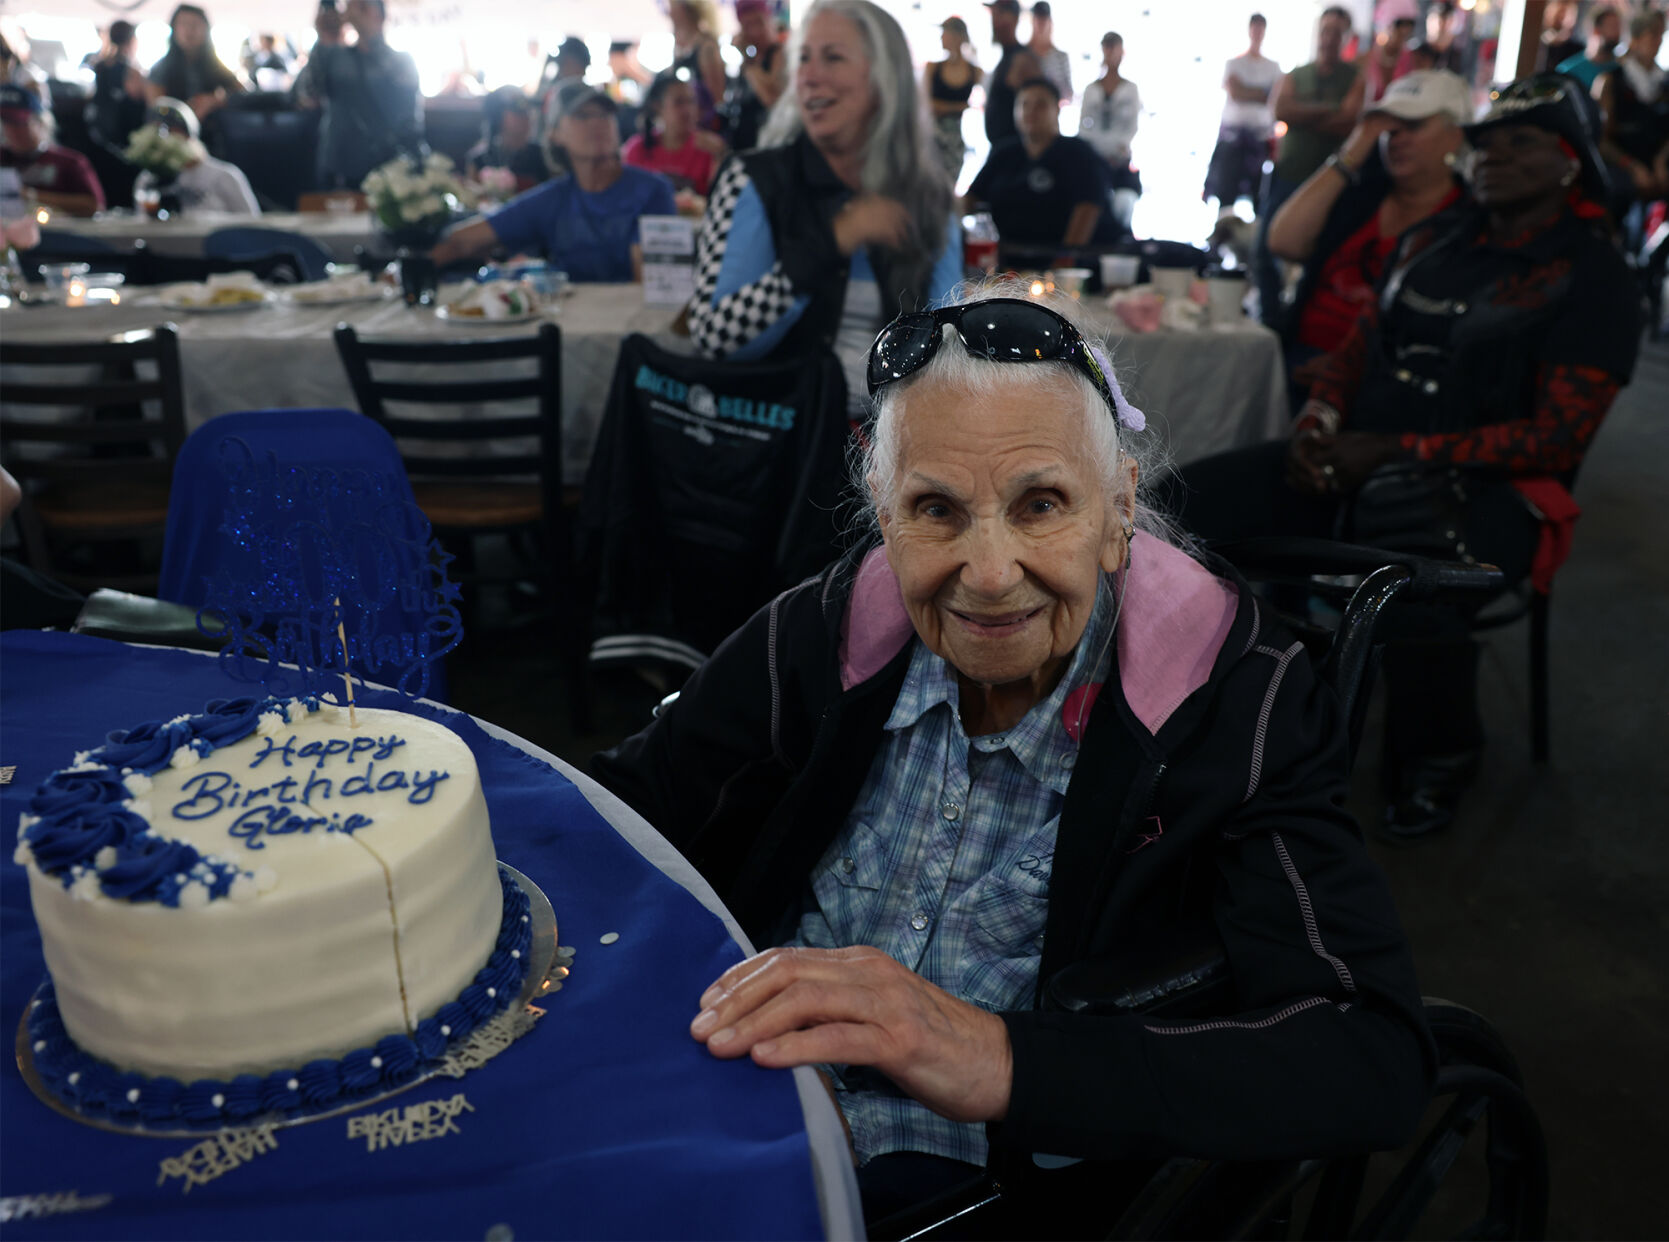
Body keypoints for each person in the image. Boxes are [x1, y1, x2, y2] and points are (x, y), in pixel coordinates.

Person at [593, 276, 1433, 1218]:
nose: (989, 578)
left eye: (1041, 505)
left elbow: (1368, 1052)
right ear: (884, 515)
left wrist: (989, 1054)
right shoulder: (824, 633)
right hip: (738, 1086)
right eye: (936, 510)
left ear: (1119, 510)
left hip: (992, 1179)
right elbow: (622, 809)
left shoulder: (1237, 702)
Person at [1173, 76, 1641, 839]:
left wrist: (1394, 450)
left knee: (1414, 576)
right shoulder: (1432, 243)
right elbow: (1355, 353)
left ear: (1567, 163)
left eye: (1519, 142)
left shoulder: (1592, 277)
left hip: (1487, 494)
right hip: (1357, 458)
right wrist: (1319, 422)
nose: (1492, 155)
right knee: (1179, 505)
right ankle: (1211, 705)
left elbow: (1557, 439)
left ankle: (1439, 756)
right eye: (1485, 141)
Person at [687, 0, 961, 420]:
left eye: (833, 57)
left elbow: (946, 344)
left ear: (883, 80)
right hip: (779, 446)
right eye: (803, 59)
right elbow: (715, 336)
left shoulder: (927, 195)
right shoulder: (753, 179)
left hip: (894, 446)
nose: (809, 76)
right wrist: (835, 240)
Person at [1269, 69, 1468, 396]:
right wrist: (1356, 146)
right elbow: (1283, 241)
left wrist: (1350, 369)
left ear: (1455, 135)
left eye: (1413, 125)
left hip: (1384, 388)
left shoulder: (1465, 221)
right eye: (1388, 129)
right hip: (1297, 360)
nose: (1396, 138)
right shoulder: (1362, 195)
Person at [432, 82, 675, 283]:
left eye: (605, 114)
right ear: (554, 133)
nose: (598, 122)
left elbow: (653, 284)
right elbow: (462, 242)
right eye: (582, 116)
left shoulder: (652, 191)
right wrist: (412, 263)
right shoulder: (553, 199)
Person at [1255, 6, 1364, 330]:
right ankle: (1270, 320)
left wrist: (1302, 113)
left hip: (1326, 182)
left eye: (1337, 31)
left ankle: (1298, 322)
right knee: (1263, 251)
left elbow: (1348, 121)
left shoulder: (1354, 78)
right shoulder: (1296, 73)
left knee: (1319, 257)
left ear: (1346, 37)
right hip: (1288, 172)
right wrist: (1328, 111)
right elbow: (1280, 108)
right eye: (1325, 29)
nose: (1329, 37)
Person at [968, 78, 1117, 248]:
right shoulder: (1004, 152)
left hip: (1060, 261)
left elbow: (1089, 207)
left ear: (1057, 110)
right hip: (1006, 263)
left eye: (1041, 105)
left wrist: (1063, 262)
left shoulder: (1078, 153)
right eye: (1024, 104)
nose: (1031, 112)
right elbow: (972, 198)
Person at [293, 0, 423, 191]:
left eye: (363, 7)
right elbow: (306, 96)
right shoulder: (334, 58)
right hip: (340, 166)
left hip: (393, 167)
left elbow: (404, 91)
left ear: (380, 16)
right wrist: (324, 41)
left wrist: (371, 37)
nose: (356, 13)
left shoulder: (402, 61)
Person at [1204, 13, 1281, 212]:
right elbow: (1236, 92)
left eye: (1260, 28)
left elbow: (1275, 96)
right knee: (1226, 191)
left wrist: (1248, 90)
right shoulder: (1234, 64)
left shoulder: (1273, 67)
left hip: (1260, 140)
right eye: (1254, 28)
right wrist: (1263, 91)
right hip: (1233, 139)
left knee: (1259, 195)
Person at [1593, 10, 1667, 208]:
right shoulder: (1611, 80)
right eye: (1652, 34)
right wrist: (1632, 167)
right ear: (1635, 39)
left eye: (1661, 34)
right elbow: (1600, 138)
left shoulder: (1664, 83)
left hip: (1659, 164)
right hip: (1621, 165)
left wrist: (1662, 161)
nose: (1658, 41)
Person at [0, 85, 106, 217]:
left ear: (40, 122)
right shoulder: (2, 156)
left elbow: (95, 205)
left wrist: (32, 195)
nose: (11, 130)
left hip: (56, 233)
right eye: (5, 122)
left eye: (19, 123)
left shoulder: (69, 162)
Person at [148, 96, 259, 214]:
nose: (166, 141)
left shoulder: (224, 176)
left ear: (189, 136)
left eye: (174, 132)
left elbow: (251, 222)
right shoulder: (148, 180)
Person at [1078, 32, 1141, 231]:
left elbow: (1131, 127)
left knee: (1123, 205)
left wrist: (1116, 150)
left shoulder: (1130, 89)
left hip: (1120, 162)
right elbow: (1084, 127)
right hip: (1094, 162)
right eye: (1107, 47)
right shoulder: (1091, 89)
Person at [623, 71, 721, 195]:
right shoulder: (636, 149)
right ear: (658, 107)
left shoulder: (710, 148)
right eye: (679, 102)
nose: (687, 110)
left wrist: (721, 157)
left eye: (691, 101)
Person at [147, 5, 245, 121]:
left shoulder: (214, 65)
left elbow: (242, 94)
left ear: (205, 30)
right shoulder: (160, 69)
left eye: (195, 24)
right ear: (174, 28)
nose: (189, 30)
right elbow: (157, 109)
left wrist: (214, 100)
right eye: (183, 24)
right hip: (174, 134)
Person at [924, 16, 982, 187]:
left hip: (956, 140)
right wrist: (958, 107)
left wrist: (945, 107)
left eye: (945, 33)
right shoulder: (933, 67)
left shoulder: (974, 71)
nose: (942, 37)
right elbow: (926, 105)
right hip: (932, 136)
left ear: (956, 36)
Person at [725, 0, 787, 151]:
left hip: (770, 146)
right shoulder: (748, 64)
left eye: (759, 23)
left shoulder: (777, 53)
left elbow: (771, 99)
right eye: (748, 26)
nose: (755, 32)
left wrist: (749, 62)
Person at [983, 0, 1042, 148]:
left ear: (1014, 18)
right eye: (993, 15)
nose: (994, 21)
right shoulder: (1006, 56)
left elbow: (1037, 111)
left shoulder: (1022, 59)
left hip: (1014, 152)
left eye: (1000, 14)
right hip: (1002, 149)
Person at [466, 87, 548, 193]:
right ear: (497, 116)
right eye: (518, 111)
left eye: (528, 110)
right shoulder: (480, 160)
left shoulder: (544, 156)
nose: (527, 116)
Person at [669, 1, 727, 134]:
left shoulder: (706, 46)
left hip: (704, 129)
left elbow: (717, 96)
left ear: (684, 10)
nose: (670, 14)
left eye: (672, 8)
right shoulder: (680, 47)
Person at [1360, 0, 1418, 104]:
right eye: (1399, 24)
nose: (1404, 30)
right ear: (1386, 24)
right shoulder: (1366, 59)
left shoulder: (1413, 59)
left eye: (1410, 24)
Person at [1555, 5, 1621, 89]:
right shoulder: (1568, 73)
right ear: (1596, 31)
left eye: (1619, 27)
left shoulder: (1621, 69)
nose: (1618, 33)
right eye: (1612, 27)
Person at [538, 37, 591, 137]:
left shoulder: (590, 96)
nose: (564, 68)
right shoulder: (553, 94)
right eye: (563, 63)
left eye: (570, 63)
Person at [1027, 2, 1071, 104]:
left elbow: (1068, 93)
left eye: (1044, 19)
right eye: (1037, 19)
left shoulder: (1061, 57)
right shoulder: (1023, 54)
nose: (1040, 23)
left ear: (1050, 22)